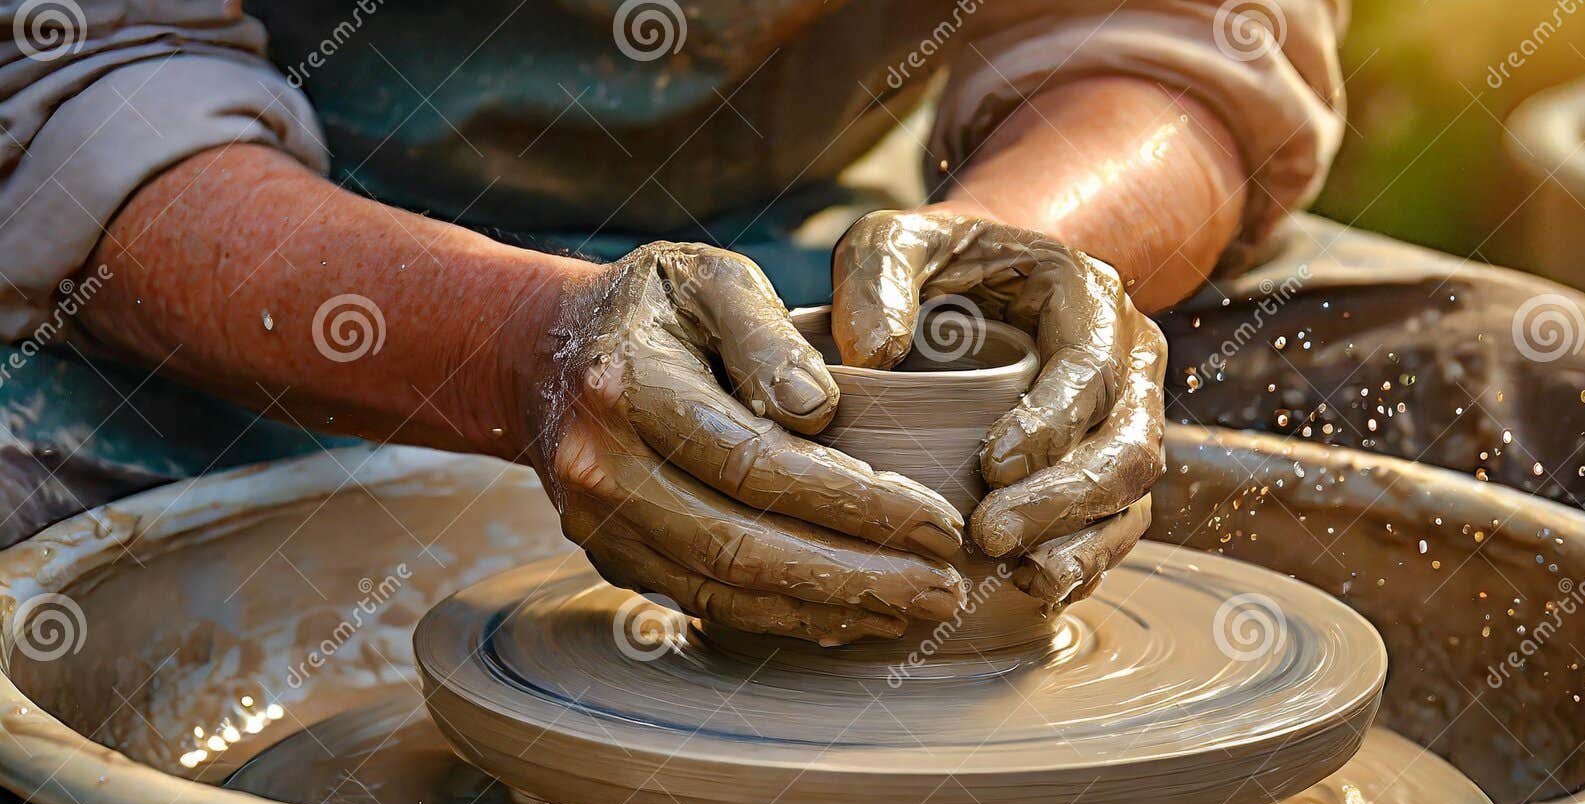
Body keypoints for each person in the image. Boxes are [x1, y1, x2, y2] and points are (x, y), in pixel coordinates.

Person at [0, 0, 1345, 643]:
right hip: (225, 281)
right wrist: (526, 358)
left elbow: (1176, 39)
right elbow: (80, 98)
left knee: (1513, 385)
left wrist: (1024, 263)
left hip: (790, 261)